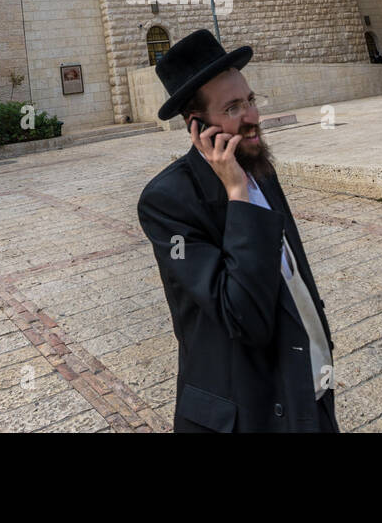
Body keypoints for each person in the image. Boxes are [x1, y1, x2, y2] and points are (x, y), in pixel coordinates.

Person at [137, 29, 338, 432]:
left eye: (250, 100)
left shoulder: (259, 166)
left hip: (309, 389)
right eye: (233, 108)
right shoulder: (166, 202)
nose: (252, 117)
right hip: (251, 412)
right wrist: (236, 193)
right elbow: (242, 314)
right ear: (198, 126)